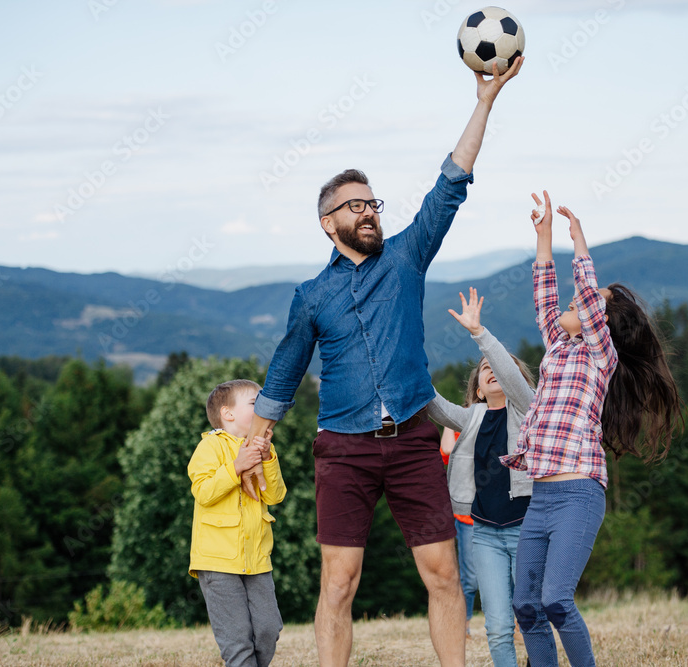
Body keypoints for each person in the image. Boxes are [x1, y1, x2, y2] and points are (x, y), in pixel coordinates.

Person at [241, 58, 524, 667]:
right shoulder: (311, 296)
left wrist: (485, 101)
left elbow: (450, 184)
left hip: (415, 444)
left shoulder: (406, 258)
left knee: (445, 574)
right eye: (353, 206)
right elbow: (284, 377)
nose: (368, 211)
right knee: (338, 583)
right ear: (328, 223)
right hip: (342, 449)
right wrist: (255, 444)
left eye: (372, 202)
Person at [501, 191, 683, 667]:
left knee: (557, 600)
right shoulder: (560, 345)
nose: (572, 305)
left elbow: (587, 298)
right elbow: (545, 294)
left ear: (598, 321)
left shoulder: (601, 356)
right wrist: (544, 238)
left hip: (579, 493)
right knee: (526, 605)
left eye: (588, 305)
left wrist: (579, 242)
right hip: (541, 495)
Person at [428, 287, 536, 667]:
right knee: (497, 626)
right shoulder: (471, 416)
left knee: (531, 614)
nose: (492, 370)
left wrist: (480, 335)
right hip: (485, 532)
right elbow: (433, 404)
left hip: (527, 527)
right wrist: (404, 361)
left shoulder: (527, 410)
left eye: (500, 366)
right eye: (485, 369)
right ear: (476, 388)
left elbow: (508, 372)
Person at [188, 379, 287, 667]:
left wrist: (267, 459)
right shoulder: (209, 447)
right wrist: (236, 467)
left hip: (257, 560)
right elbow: (204, 492)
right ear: (227, 413)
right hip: (217, 562)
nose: (263, 410)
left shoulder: (263, 450)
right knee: (237, 637)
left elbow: (276, 495)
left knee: (269, 628)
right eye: (256, 404)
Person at [440, 426, 477, 639]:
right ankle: (464, 626)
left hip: (500, 513)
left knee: (512, 575)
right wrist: (449, 422)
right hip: (467, 516)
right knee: (470, 577)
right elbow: (447, 449)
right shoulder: (461, 423)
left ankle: (516, 626)